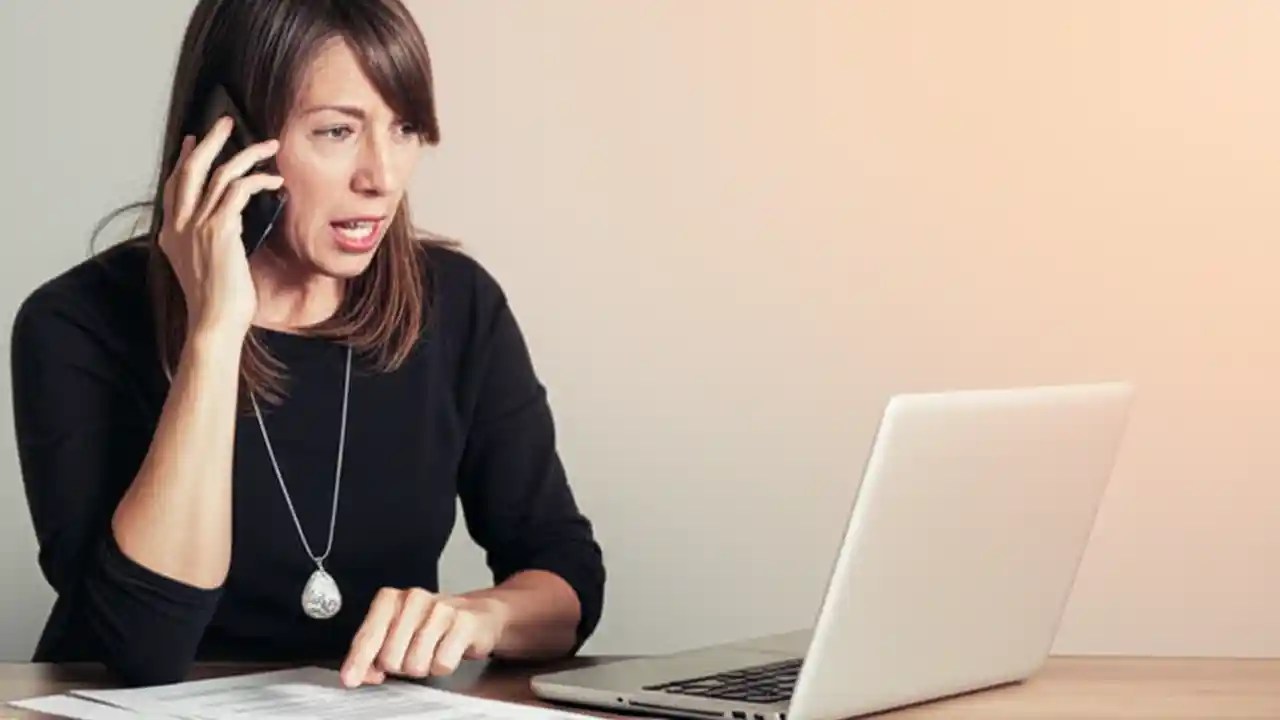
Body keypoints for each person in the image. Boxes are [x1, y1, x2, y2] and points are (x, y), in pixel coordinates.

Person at [9, 0, 604, 688]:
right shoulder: (74, 324)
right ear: (226, 139)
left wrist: (483, 617)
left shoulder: (459, 305)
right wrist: (215, 329)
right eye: (335, 131)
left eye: (405, 127)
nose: (381, 176)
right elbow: (143, 649)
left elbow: (565, 579)